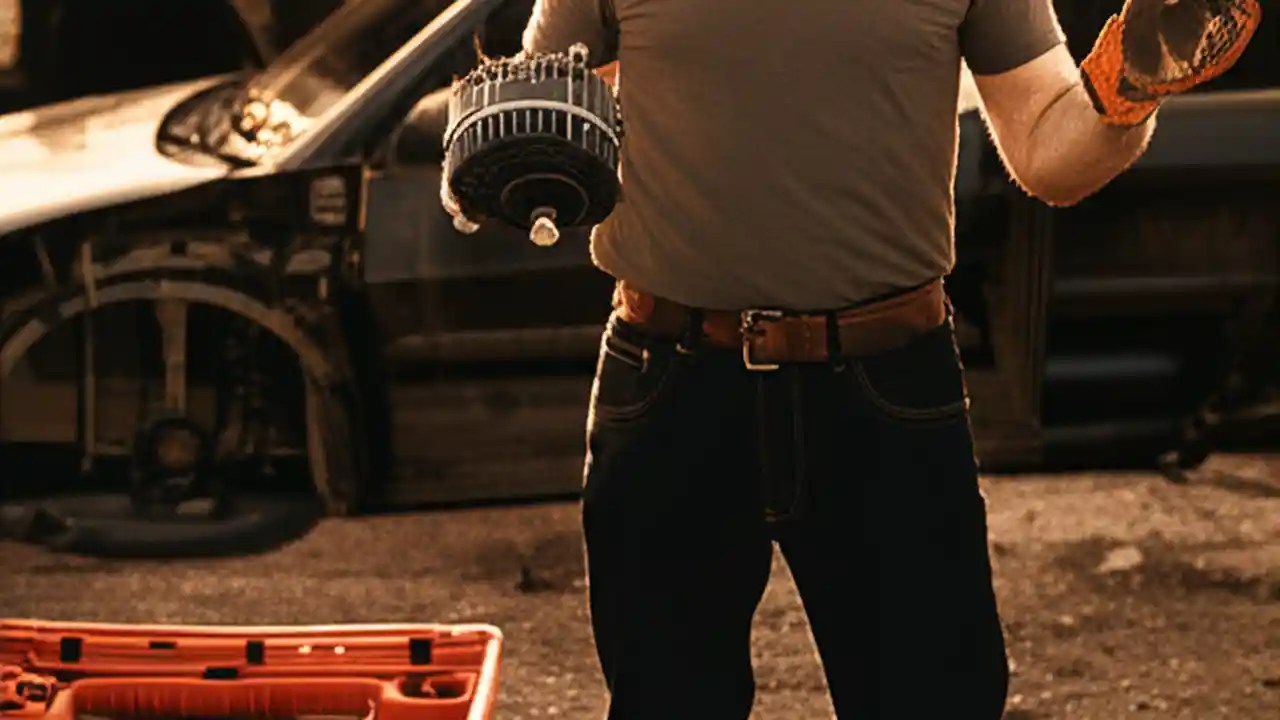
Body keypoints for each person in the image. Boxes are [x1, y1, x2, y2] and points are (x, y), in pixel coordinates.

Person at [448, 0, 1258, 717]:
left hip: (886, 388)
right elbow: (542, 104)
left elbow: (1048, 152)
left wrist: (1129, 92)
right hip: (670, 380)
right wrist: (492, 159)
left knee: (933, 697)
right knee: (666, 699)